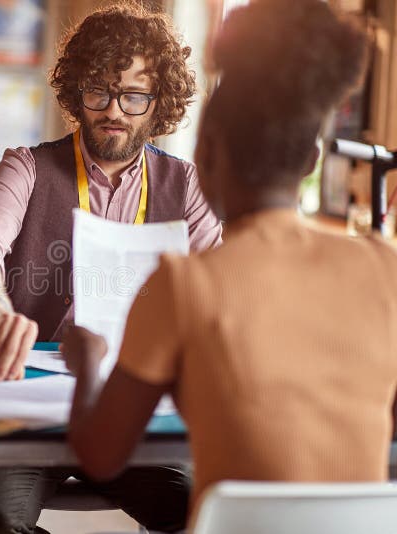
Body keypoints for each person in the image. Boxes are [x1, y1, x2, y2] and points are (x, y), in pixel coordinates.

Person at [61, 0, 396, 527]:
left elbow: (101, 456)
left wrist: (87, 365)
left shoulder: (183, 285)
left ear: (206, 155)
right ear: (311, 160)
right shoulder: (384, 268)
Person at [0, 3, 222, 532]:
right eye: (99, 91)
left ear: (159, 102)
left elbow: (220, 285)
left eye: (134, 96)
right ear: (77, 93)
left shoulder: (186, 186)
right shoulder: (27, 166)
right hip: (21, 402)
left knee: (207, 513)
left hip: (136, 406)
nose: (114, 110)